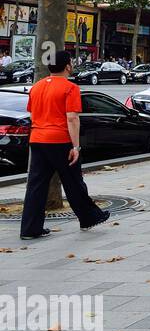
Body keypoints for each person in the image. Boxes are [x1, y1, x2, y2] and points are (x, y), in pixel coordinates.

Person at [18, 52, 112, 240]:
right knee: (73, 182)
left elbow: (32, 114)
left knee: (36, 186)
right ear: (68, 66)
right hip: (60, 141)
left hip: (37, 139)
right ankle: (89, 217)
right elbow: (72, 117)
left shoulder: (36, 87)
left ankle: (30, 229)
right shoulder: (70, 88)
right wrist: (75, 147)